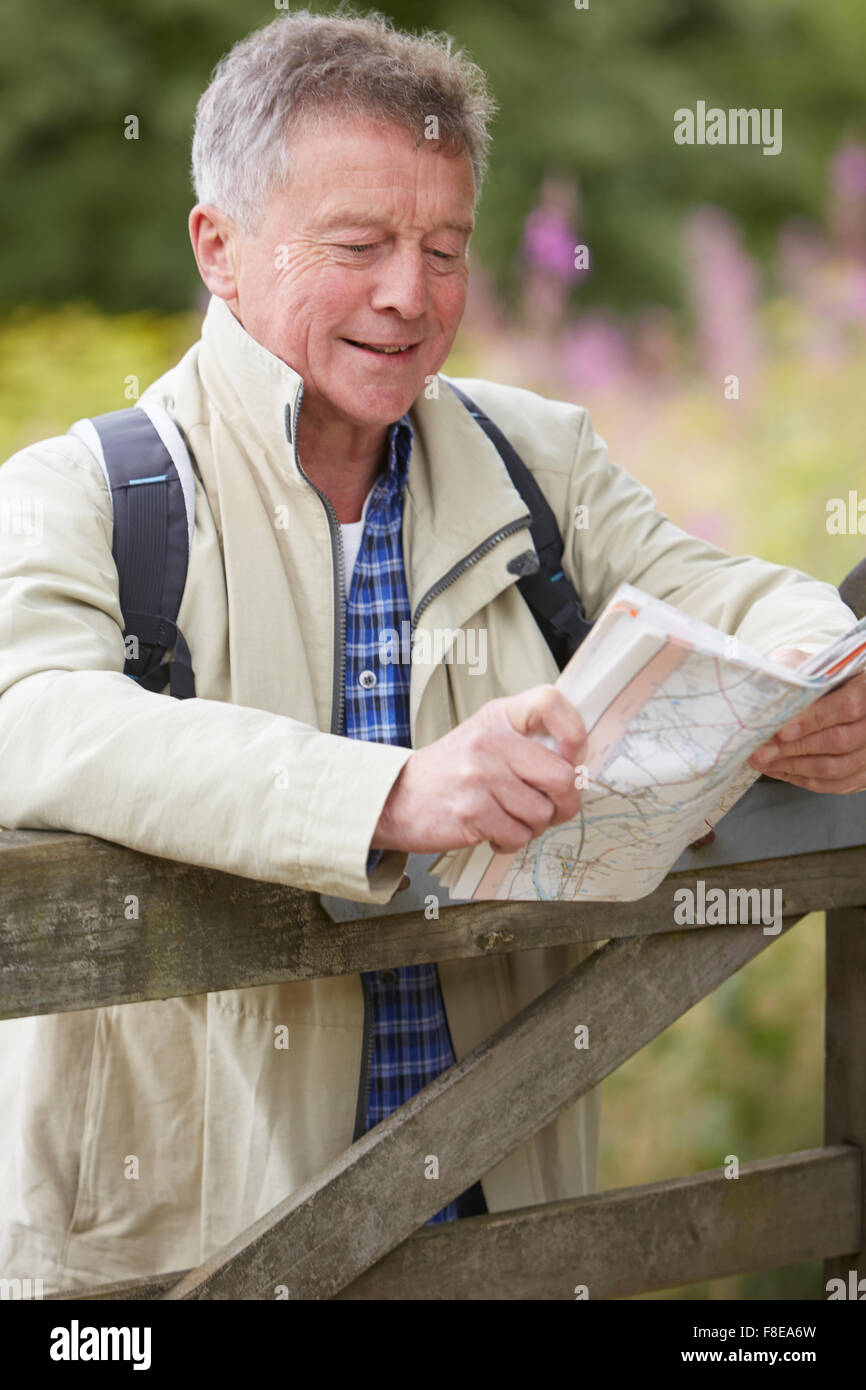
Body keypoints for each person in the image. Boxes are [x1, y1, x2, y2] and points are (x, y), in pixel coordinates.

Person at [0, 10, 863, 1295]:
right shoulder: (81, 489)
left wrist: (823, 680)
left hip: (499, 1221)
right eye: (358, 245)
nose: (411, 294)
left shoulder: (542, 458)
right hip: (193, 1255)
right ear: (217, 247)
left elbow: (741, 596)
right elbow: (37, 717)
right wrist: (391, 793)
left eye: (445, 248)